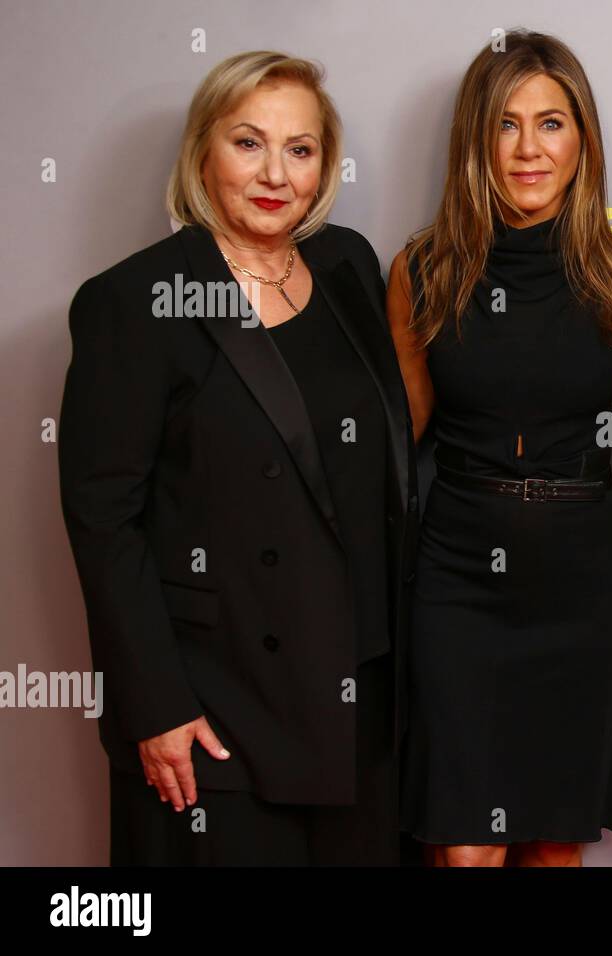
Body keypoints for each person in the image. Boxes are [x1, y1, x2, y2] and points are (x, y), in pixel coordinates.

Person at [58, 51, 417, 865]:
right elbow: (102, 523)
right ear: (202, 151)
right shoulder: (136, 300)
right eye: (248, 143)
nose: (276, 174)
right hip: (217, 715)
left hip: (358, 699)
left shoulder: (348, 265)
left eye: (300, 149)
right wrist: (154, 706)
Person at [388, 30, 612, 867]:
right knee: (465, 851)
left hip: (580, 578)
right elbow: (400, 443)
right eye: (505, 125)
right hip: (458, 578)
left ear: (582, 137)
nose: (527, 149)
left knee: (553, 848)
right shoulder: (423, 271)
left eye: (551, 122)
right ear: (476, 138)